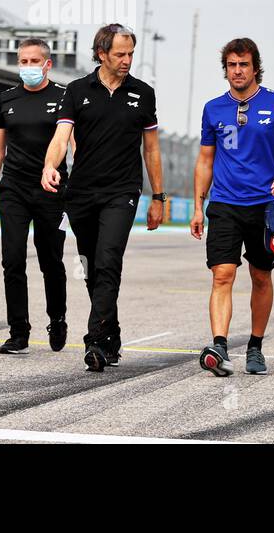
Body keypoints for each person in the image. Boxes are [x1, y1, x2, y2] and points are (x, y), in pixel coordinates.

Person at [42, 23, 165, 372]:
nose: (127, 60)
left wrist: (159, 196)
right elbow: (61, 135)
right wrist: (50, 166)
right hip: (80, 193)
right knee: (92, 269)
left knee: (109, 259)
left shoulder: (144, 93)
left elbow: (152, 150)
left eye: (130, 54)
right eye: (120, 54)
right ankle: (111, 332)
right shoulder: (77, 91)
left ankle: (94, 340)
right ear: (101, 54)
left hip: (122, 191)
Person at [191, 38, 274, 376]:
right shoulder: (213, 108)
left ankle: (255, 346)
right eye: (231, 65)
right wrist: (198, 206)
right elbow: (205, 161)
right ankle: (220, 346)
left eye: (243, 64)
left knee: (260, 276)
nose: (237, 71)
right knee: (222, 274)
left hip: (264, 207)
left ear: (255, 67)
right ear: (225, 69)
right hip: (224, 203)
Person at [0, 38, 70, 354]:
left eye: (35, 61)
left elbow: (72, 143)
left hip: (51, 189)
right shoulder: (6, 99)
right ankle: (18, 331)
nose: (28, 67)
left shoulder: (64, 98)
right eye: (23, 61)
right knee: (12, 259)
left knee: (51, 260)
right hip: (14, 189)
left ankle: (57, 318)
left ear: (47, 64)